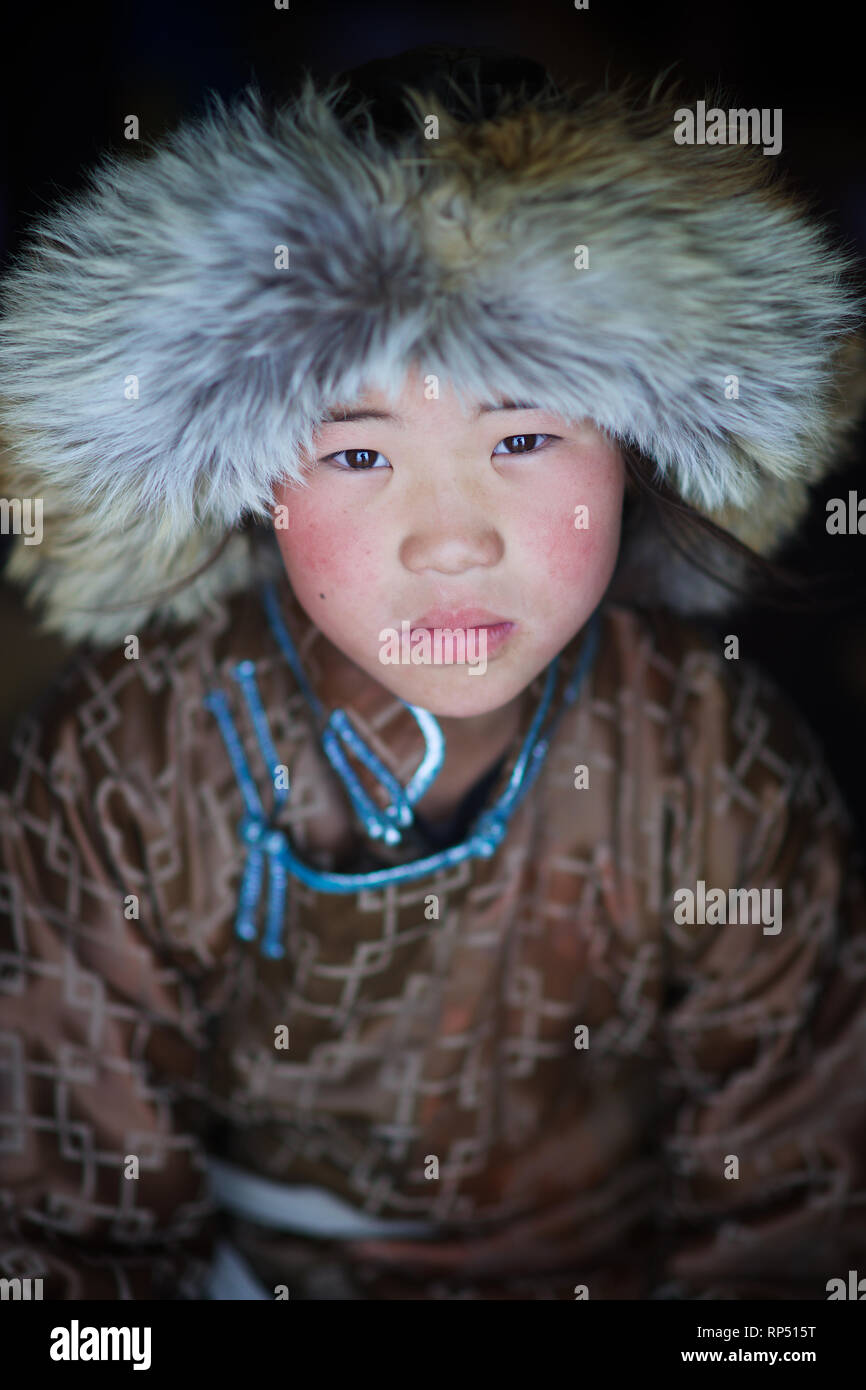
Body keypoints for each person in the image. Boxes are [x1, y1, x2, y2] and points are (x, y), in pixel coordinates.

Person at [1, 42, 866, 1301]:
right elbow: (60, 1235)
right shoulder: (120, 765)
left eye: (520, 433)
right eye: (357, 455)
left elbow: (805, 1194)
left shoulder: (710, 754)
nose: (450, 534)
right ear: (249, 488)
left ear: (633, 458)